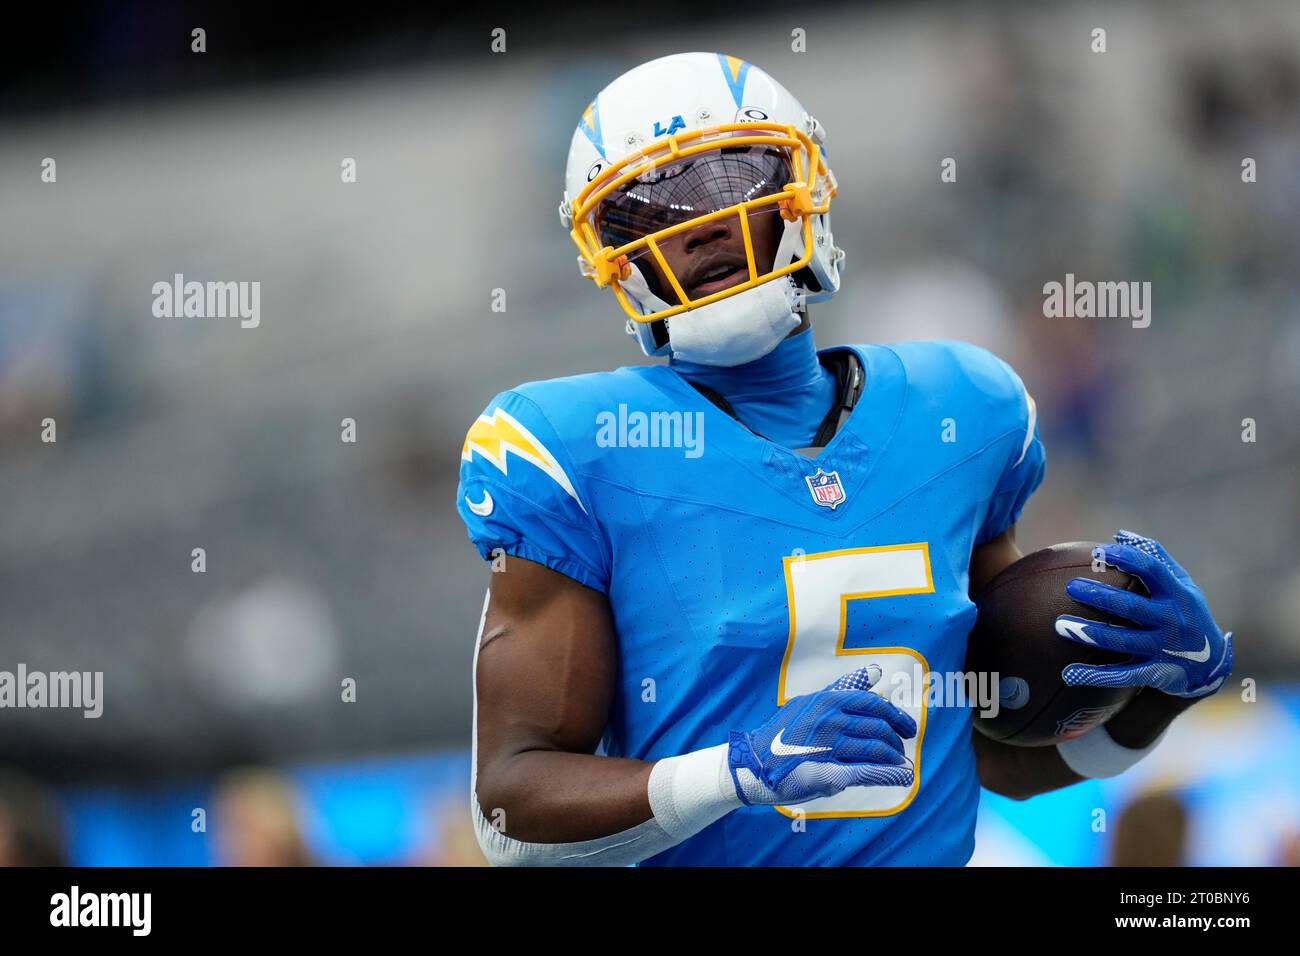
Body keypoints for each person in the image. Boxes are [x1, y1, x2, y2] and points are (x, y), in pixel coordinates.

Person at [456, 52, 1234, 866]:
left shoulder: (963, 410)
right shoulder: (575, 447)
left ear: (804, 187)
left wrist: (1159, 698)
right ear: (612, 255)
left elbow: (996, 754)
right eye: (649, 210)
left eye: (730, 180)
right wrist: (735, 773)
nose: (698, 225)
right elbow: (509, 816)